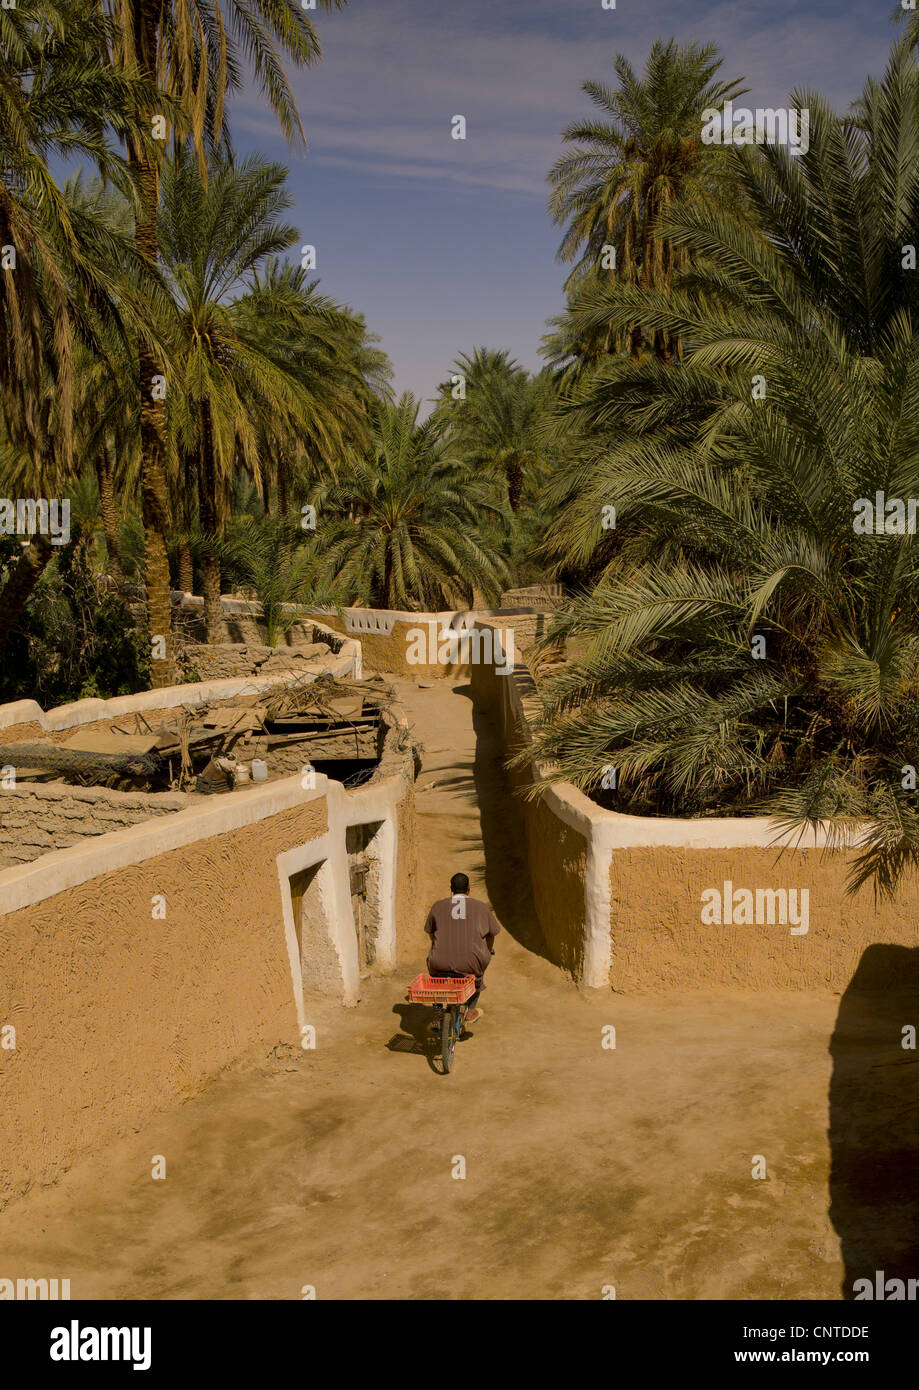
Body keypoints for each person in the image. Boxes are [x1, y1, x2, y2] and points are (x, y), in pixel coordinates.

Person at [424, 871, 501, 1025]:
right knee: (476, 977)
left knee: (436, 979)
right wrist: (488, 950)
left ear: (451, 889)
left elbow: (431, 932)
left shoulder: (438, 906)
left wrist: (437, 946)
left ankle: (438, 1012)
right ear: (469, 889)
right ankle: (471, 1009)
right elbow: (492, 933)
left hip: (439, 961)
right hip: (470, 963)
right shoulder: (481, 907)